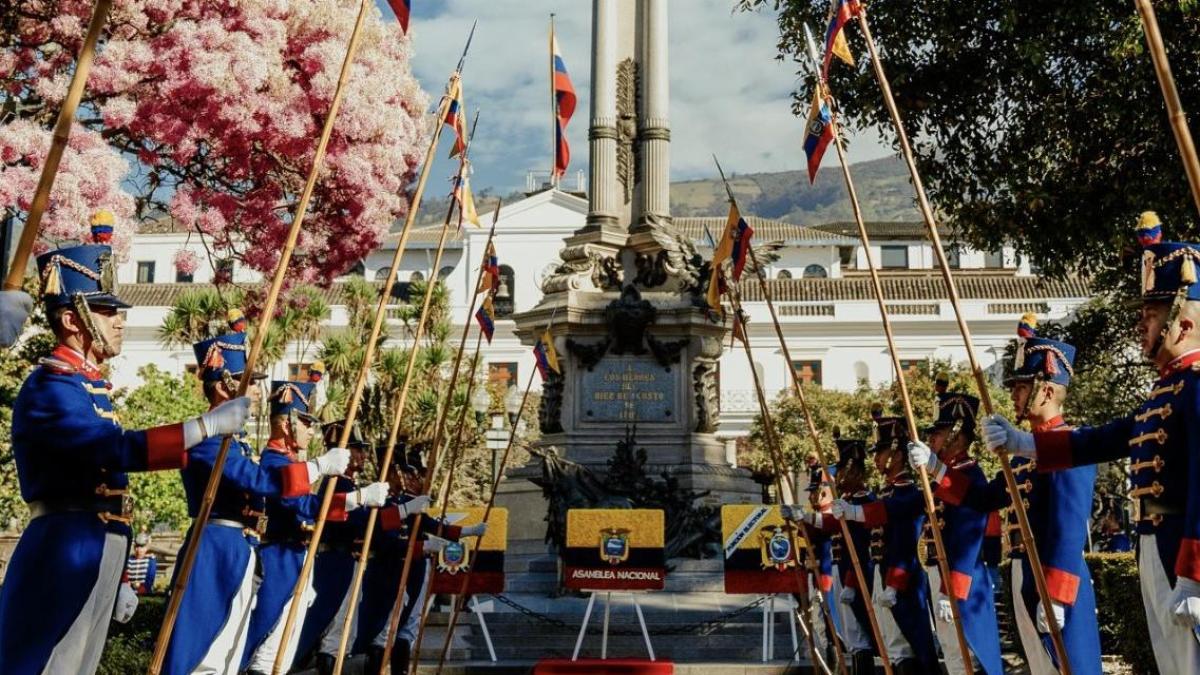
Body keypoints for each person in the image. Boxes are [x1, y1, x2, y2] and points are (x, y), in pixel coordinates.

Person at [0, 234, 252, 675]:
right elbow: (110, 449)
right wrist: (204, 427)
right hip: (67, 541)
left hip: (97, 541)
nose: (119, 321)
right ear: (72, 320)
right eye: (106, 311)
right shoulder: (52, 386)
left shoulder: (86, 384)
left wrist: (117, 574)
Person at [983, 212, 1200, 674]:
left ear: (1183, 320)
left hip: (1180, 552)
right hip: (1157, 550)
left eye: (1151, 314)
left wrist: (1194, 572)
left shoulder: (1196, 386)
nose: (1141, 325)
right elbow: (1107, 439)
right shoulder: (1166, 388)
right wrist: (1025, 442)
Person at [917, 318, 1101, 675]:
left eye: (1020, 387)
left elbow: (1070, 525)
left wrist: (1059, 593)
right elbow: (982, 499)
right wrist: (937, 469)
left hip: (1054, 576)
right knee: (1040, 665)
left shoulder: (1070, 445)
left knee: (1068, 667)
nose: (1013, 396)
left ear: (1046, 391)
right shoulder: (1020, 456)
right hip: (1022, 570)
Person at [162, 327, 350, 675]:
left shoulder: (235, 442)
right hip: (215, 547)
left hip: (239, 545)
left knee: (230, 654)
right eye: (248, 382)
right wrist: (318, 467)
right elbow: (259, 481)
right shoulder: (208, 438)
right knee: (205, 654)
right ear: (223, 386)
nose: (257, 391)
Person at [240, 380, 388, 675]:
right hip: (279, 559)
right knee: (263, 645)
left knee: (281, 648)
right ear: (285, 423)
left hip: (294, 557)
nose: (311, 431)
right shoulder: (274, 462)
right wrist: (358, 499)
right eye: (306, 423)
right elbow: (304, 507)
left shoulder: (290, 462)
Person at [353, 444, 484, 674]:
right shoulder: (381, 502)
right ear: (392, 472)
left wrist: (468, 531)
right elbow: (386, 542)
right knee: (383, 629)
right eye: (403, 472)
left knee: (406, 625)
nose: (408, 477)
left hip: (409, 571)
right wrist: (422, 546)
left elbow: (431, 525)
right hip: (387, 572)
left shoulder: (406, 502)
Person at [833, 414, 938, 675]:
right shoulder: (888, 492)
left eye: (880, 452)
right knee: (892, 646)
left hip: (901, 583)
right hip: (882, 576)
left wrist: (894, 583)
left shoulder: (908, 493)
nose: (876, 459)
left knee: (907, 646)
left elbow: (906, 543)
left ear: (896, 454)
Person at [907, 391, 1003, 675]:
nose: (932, 440)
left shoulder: (970, 475)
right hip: (939, 573)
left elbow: (967, 538)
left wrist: (950, 589)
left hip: (960, 579)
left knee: (968, 654)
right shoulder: (943, 477)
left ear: (957, 436)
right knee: (952, 652)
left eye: (938, 433)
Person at [295, 419, 372, 675]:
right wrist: (372, 512)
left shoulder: (346, 483)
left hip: (342, 559)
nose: (363, 455)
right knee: (333, 628)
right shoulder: (337, 483)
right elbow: (347, 522)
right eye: (357, 448)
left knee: (340, 630)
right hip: (334, 560)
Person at [830, 437, 879, 675]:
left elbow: (861, 548)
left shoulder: (864, 503)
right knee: (850, 634)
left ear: (853, 471)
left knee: (859, 636)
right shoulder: (847, 503)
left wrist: (850, 582)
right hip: (841, 571)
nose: (838, 477)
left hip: (856, 575)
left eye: (841, 470)